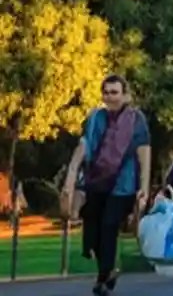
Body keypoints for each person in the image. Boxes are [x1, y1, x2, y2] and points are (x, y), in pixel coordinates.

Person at [61, 75, 152, 296]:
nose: (110, 97)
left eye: (115, 92)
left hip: (123, 184)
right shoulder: (95, 118)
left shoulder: (135, 120)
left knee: (109, 225)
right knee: (92, 230)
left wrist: (144, 187)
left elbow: (144, 153)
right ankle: (108, 269)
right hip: (96, 181)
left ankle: (103, 278)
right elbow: (85, 145)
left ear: (125, 95)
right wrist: (71, 176)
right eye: (106, 92)